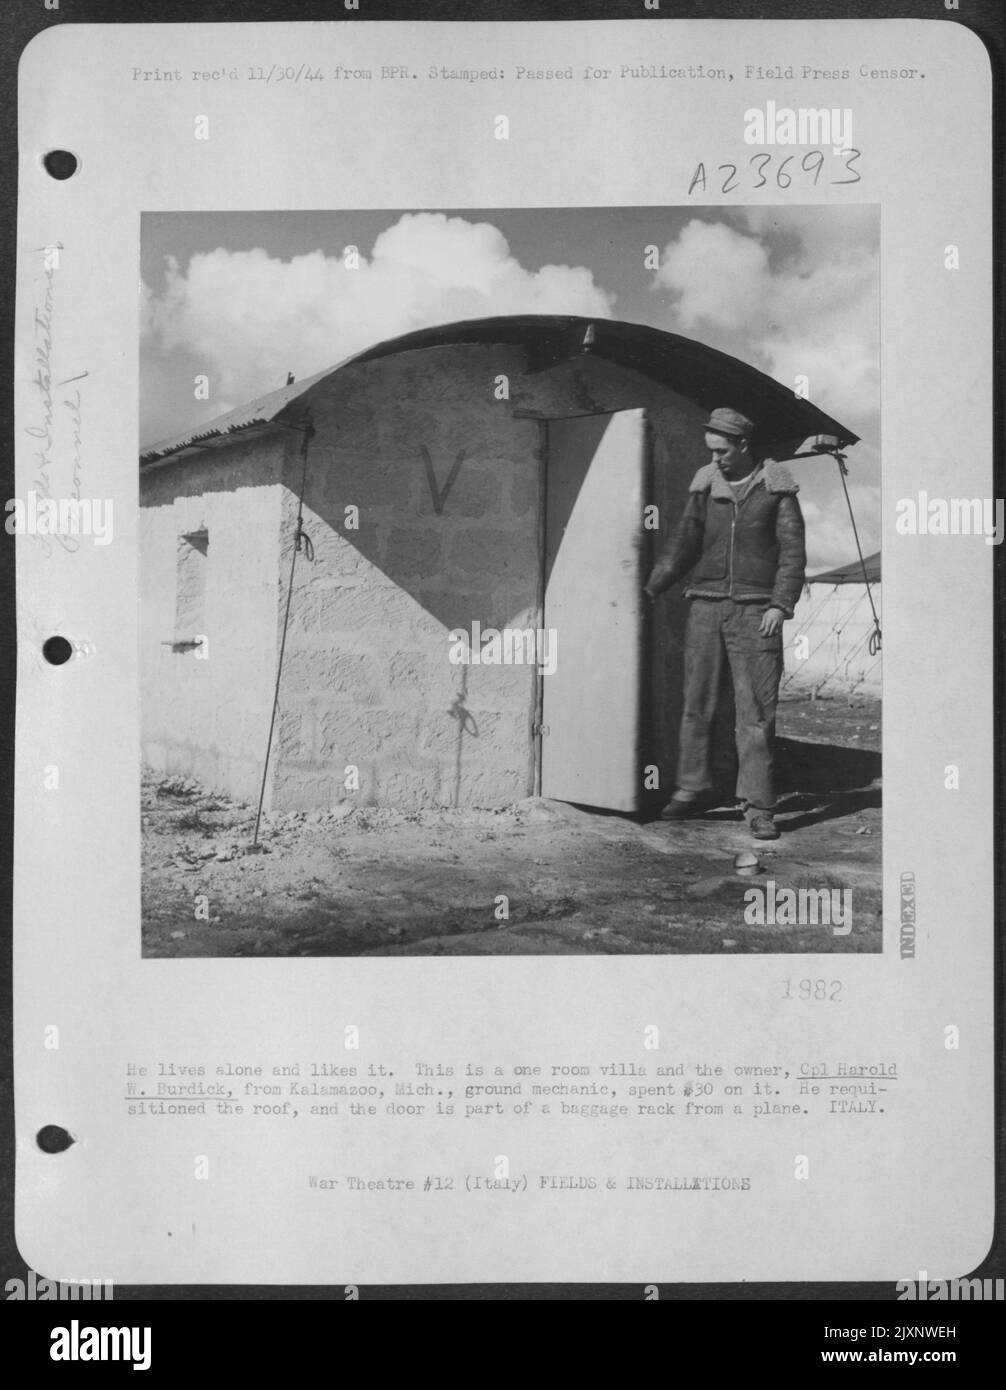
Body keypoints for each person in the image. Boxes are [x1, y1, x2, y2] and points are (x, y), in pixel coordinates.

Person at [643, 408, 806, 841]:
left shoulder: (777, 490)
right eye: (710, 451)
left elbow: (792, 552)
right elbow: (683, 543)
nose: (715, 459)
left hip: (757, 612)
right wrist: (651, 588)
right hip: (706, 606)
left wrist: (780, 604)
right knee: (697, 705)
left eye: (722, 451)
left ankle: (759, 806)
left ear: (744, 445)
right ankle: (693, 788)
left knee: (755, 713)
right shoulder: (705, 486)